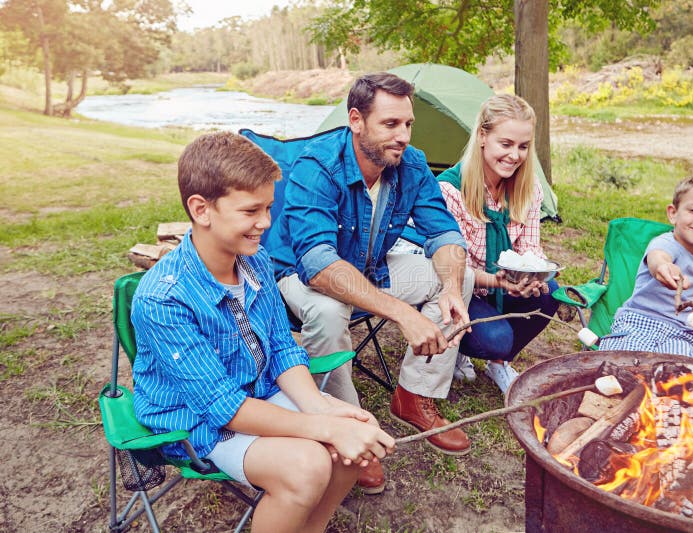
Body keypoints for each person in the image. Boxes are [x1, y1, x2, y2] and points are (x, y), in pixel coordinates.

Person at [131, 131, 395, 533]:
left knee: (355, 434)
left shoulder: (255, 261)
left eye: (269, 207)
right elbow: (222, 407)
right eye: (251, 210)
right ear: (201, 209)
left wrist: (321, 409)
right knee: (306, 467)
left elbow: (282, 349)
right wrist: (324, 427)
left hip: (256, 391)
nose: (266, 223)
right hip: (194, 423)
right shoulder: (162, 299)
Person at [268, 72, 475, 494]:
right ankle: (346, 426)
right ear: (356, 120)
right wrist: (402, 314)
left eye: (408, 124)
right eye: (390, 124)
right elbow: (318, 264)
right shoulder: (317, 165)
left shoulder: (410, 163)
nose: (403, 136)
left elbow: (444, 234)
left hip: (372, 267)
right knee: (328, 312)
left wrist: (452, 289)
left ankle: (414, 395)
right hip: (300, 276)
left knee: (461, 274)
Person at [437, 94, 559, 394]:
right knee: (496, 338)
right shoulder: (450, 190)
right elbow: (454, 269)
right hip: (464, 289)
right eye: (505, 144)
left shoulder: (528, 188)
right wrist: (497, 281)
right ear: (482, 136)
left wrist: (531, 276)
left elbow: (530, 247)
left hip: (504, 283)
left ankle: (499, 364)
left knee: (551, 292)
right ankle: (459, 349)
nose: (514, 156)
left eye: (523, 146)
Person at [598, 174, 693, 358]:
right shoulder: (665, 243)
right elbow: (658, 257)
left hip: (684, 334)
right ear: (673, 213)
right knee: (621, 360)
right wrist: (664, 267)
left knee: (681, 370)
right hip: (637, 322)